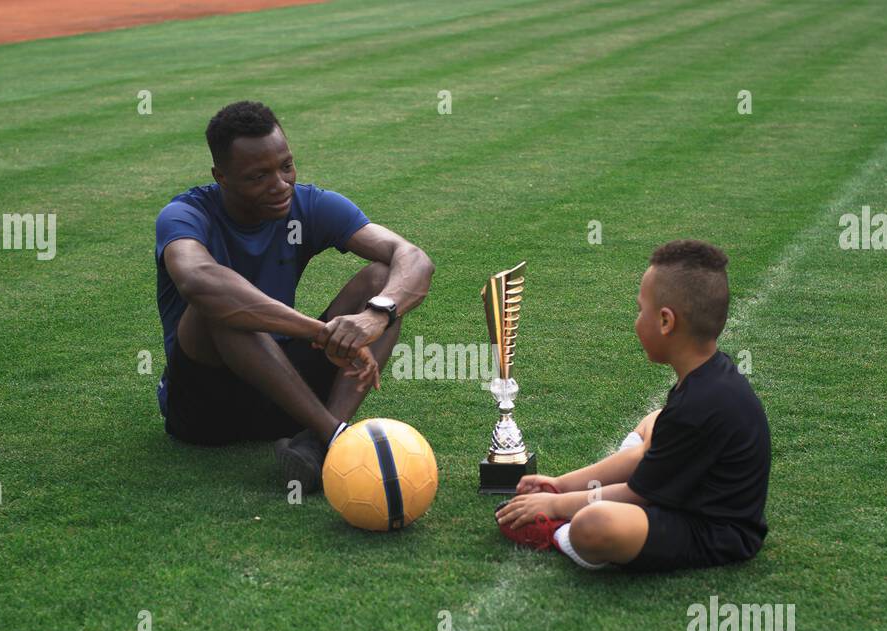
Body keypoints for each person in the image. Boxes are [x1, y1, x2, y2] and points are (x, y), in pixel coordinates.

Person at [154, 101, 434, 492]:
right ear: (222, 177)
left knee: (382, 281)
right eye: (258, 176)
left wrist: (376, 315)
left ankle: (316, 444)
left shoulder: (309, 205)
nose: (280, 184)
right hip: (206, 411)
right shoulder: (185, 214)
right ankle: (337, 438)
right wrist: (319, 332)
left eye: (286, 166)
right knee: (218, 306)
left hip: (284, 395)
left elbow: (413, 259)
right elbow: (198, 281)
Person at [495, 240, 770, 572]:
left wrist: (554, 505)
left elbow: (636, 494)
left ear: (666, 322)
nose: (637, 319)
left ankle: (559, 535)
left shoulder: (700, 405)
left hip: (714, 531)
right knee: (655, 421)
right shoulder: (709, 375)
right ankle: (573, 511)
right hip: (688, 496)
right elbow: (643, 459)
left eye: (641, 310)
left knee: (594, 524)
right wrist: (562, 482)